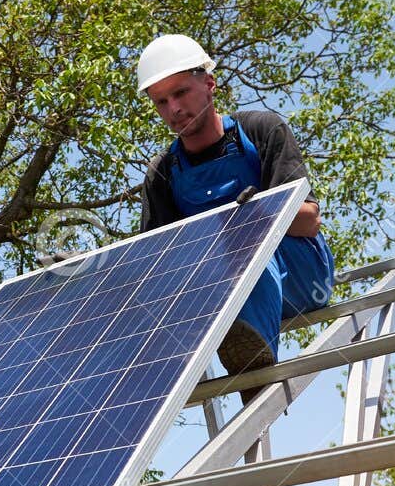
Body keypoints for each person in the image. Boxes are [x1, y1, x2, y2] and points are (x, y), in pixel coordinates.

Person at [135, 34, 334, 388]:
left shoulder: (261, 130)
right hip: (221, 295)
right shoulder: (163, 173)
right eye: (161, 102)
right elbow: (159, 266)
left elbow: (309, 222)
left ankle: (253, 358)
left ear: (210, 83)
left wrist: (257, 213)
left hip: (302, 277)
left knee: (243, 242)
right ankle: (240, 345)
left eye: (180, 93)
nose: (173, 109)